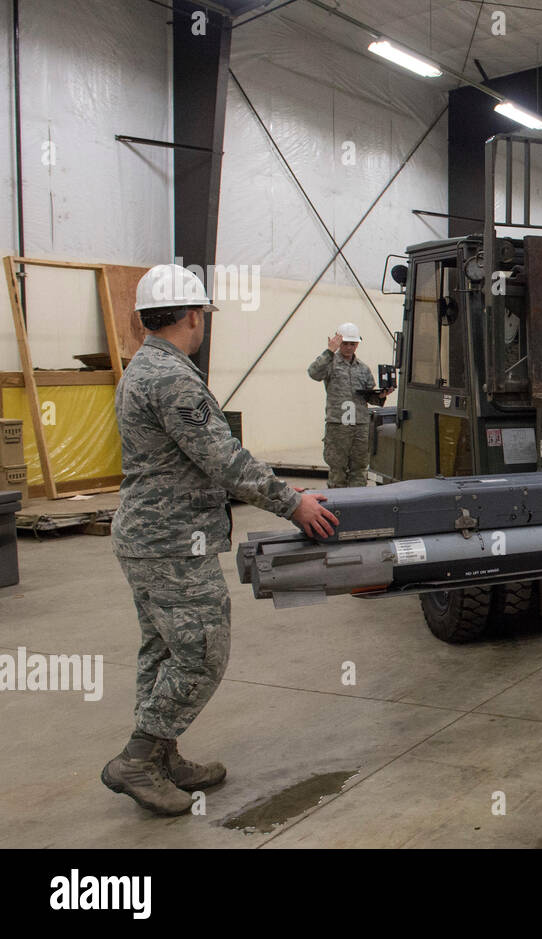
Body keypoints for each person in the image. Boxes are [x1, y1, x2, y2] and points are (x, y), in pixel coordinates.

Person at [105, 264, 338, 816]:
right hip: (170, 543)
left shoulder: (146, 367)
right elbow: (222, 458)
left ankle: (162, 758)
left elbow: (201, 459)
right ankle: (138, 759)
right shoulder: (172, 378)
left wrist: (280, 488)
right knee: (204, 651)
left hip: (151, 538)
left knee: (162, 650)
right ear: (192, 315)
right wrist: (292, 504)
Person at [307, 322, 393, 488]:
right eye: (344, 343)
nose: (348, 347)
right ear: (338, 343)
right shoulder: (330, 363)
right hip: (338, 425)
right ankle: (337, 507)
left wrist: (381, 395)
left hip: (360, 425)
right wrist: (329, 351)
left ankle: (358, 505)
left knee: (359, 469)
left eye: (352, 344)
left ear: (357, 344)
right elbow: (313, 373)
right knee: (338, 470)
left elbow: (370, 397)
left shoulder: (363, 369)